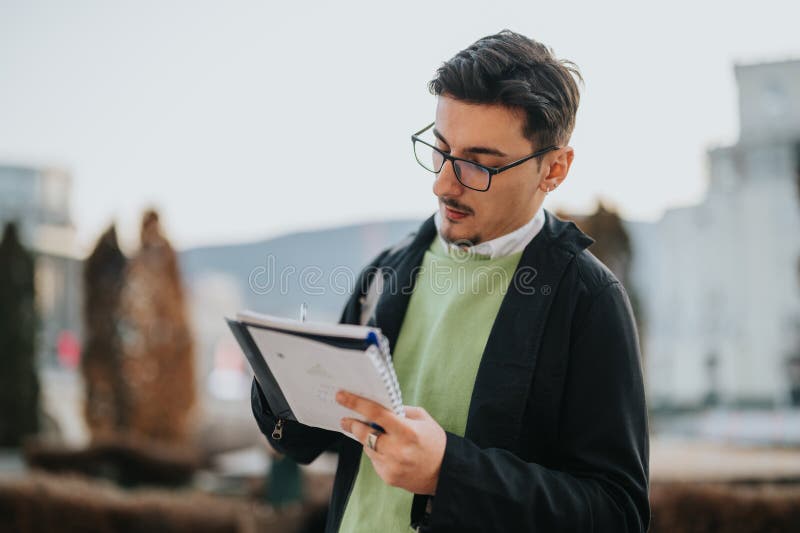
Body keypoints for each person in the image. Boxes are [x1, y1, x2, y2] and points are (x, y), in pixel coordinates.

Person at [251, 29, 650, 532]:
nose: (443, 182)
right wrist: (279, 378)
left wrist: (450, 473)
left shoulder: (588, 301)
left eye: (479, 166)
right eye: (440, 149)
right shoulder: (386, 270)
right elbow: (310, 440)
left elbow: (619, 514)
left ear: (555, 169)